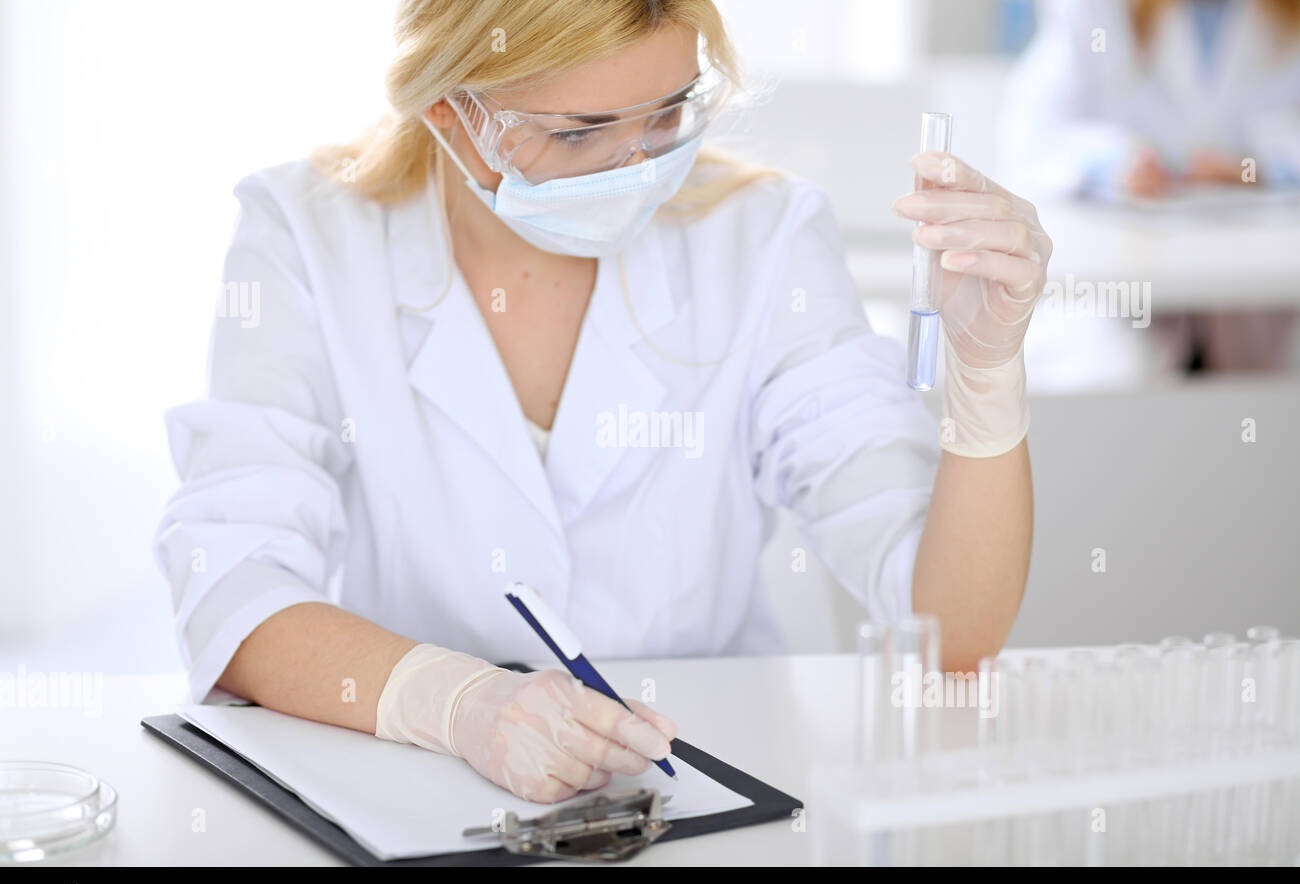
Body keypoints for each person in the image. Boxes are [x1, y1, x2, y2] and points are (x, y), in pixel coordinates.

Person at [155, 0, 1049, 803]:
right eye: (580, 133)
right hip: (427, 791)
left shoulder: (763, 237)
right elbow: (233, 580)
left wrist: (983, 381)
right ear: (447, 108)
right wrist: (459, 704)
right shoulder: (308, 234)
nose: (636, 165)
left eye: (667, 114)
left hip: (710, 787)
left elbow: (952, 633)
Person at [1000, 0, 1300, 373]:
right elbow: (1035, 136)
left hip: (1263, 287)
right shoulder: (1094, 12)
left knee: (1262, 393)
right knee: (1113, 367)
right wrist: (1116, 163)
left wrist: (1260, 169)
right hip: (1117, 282)